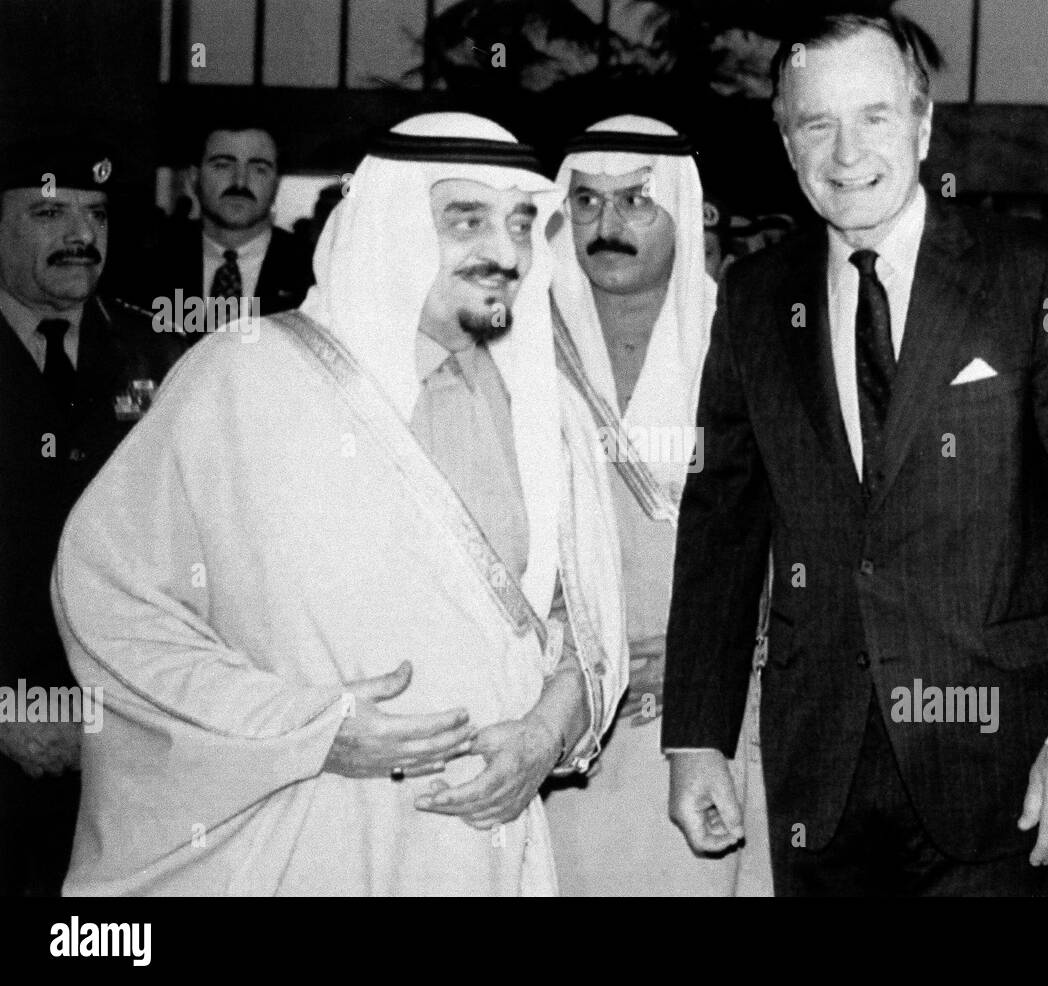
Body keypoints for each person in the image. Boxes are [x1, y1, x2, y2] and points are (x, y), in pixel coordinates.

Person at [51, 113, 627, 896]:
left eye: (522, 223)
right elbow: (111, 600)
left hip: (480, 844)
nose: (505, 252)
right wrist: (308, 732)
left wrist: (542, 736)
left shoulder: (545, 409)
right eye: (467, 221)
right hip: (296, 826)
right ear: (389, 228)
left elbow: (580, 621)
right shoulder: (242, 380)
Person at [661, 11, 1048, 897]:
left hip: (1004, 762)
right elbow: (721, 525)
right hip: (821, 767)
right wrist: (698, 735)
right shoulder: (756, 296)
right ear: (786, 137)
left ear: (924, 126)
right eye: (817, 123)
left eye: (875, 117)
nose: (846, 153)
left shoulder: (1034, 268)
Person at [543, 115, 770, 896]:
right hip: (562, 723)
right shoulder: (518, 354)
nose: (608, 226)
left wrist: (712, 654)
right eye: (586, 203)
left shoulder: (751, 345)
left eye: (636, 201)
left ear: (680, 205)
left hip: (718, 716)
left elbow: (805, 529)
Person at [0, 138, 182, 896]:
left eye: (96, 216)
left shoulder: (160, 356)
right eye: (49, 213)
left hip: (127, 738)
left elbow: (187, 551)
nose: (81, 236)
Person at [130, 120, 313, 340]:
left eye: (259, 169)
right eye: (223, 165)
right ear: (194, 178)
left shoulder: (312, 273)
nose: (240, 181)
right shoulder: (147, 269)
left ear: (276, 182)